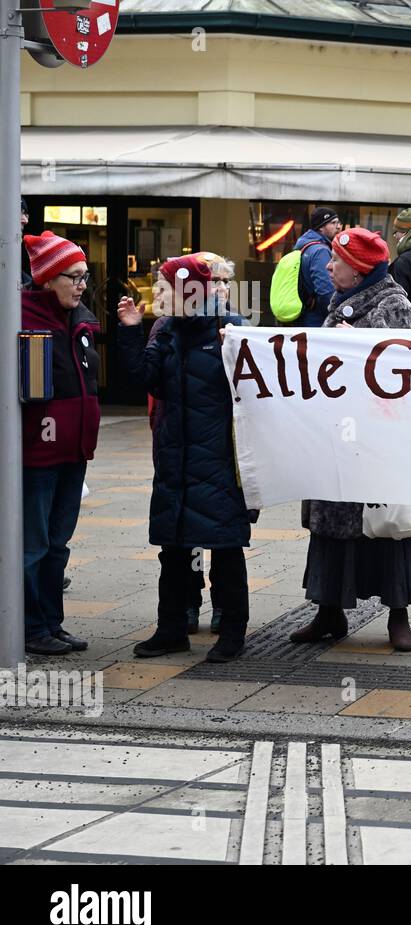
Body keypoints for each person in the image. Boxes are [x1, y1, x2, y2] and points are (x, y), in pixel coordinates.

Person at [290, 228, 411, 651]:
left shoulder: (395, 306)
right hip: (339, 437)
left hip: (381, 442)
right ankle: (328, 611)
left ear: (357, 270)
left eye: (336, 261)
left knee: (390, 527)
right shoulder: (341, 301)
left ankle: (399, 615)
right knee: (332, 528)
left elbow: (404, 375)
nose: (328, 266)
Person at [117, 255, 250, 663]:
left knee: (225, 547)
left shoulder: (231, 332)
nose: (155, 294)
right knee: (173, 547)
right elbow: (142, 378)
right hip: (175, 457)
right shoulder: (168, 332)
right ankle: (171, 629)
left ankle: (232, 633)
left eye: (162, 288)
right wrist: (130, 334)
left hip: (218, 459)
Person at [147, 252, 246, 638]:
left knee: (223, 538)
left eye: (225, 281)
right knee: (178, 538)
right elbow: (151, 380)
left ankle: (228, 617)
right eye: (215, 280)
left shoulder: (232, 329)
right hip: (174, 445)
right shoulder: (167, 329)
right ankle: (180, 613)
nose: (220, 287)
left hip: (217, 451)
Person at [20, 231, 100, 655]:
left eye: (86, 276)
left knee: (57, 545)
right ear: (49, 278)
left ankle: (51, 623)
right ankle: (30, 629)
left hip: (73, 453)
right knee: (33, 546)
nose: (82, 284)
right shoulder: (23, 318)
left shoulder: (81, 318)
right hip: (38, 456)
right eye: (74, 276)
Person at [294, 206, 342, 327]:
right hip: (316, 318)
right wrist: (337, 316)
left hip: (304, 313)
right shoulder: (320, 251)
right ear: (321, 227)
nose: (338, 226)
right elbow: (326, 290)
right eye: (333, 223)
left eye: (338, 222)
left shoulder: (303, 246)